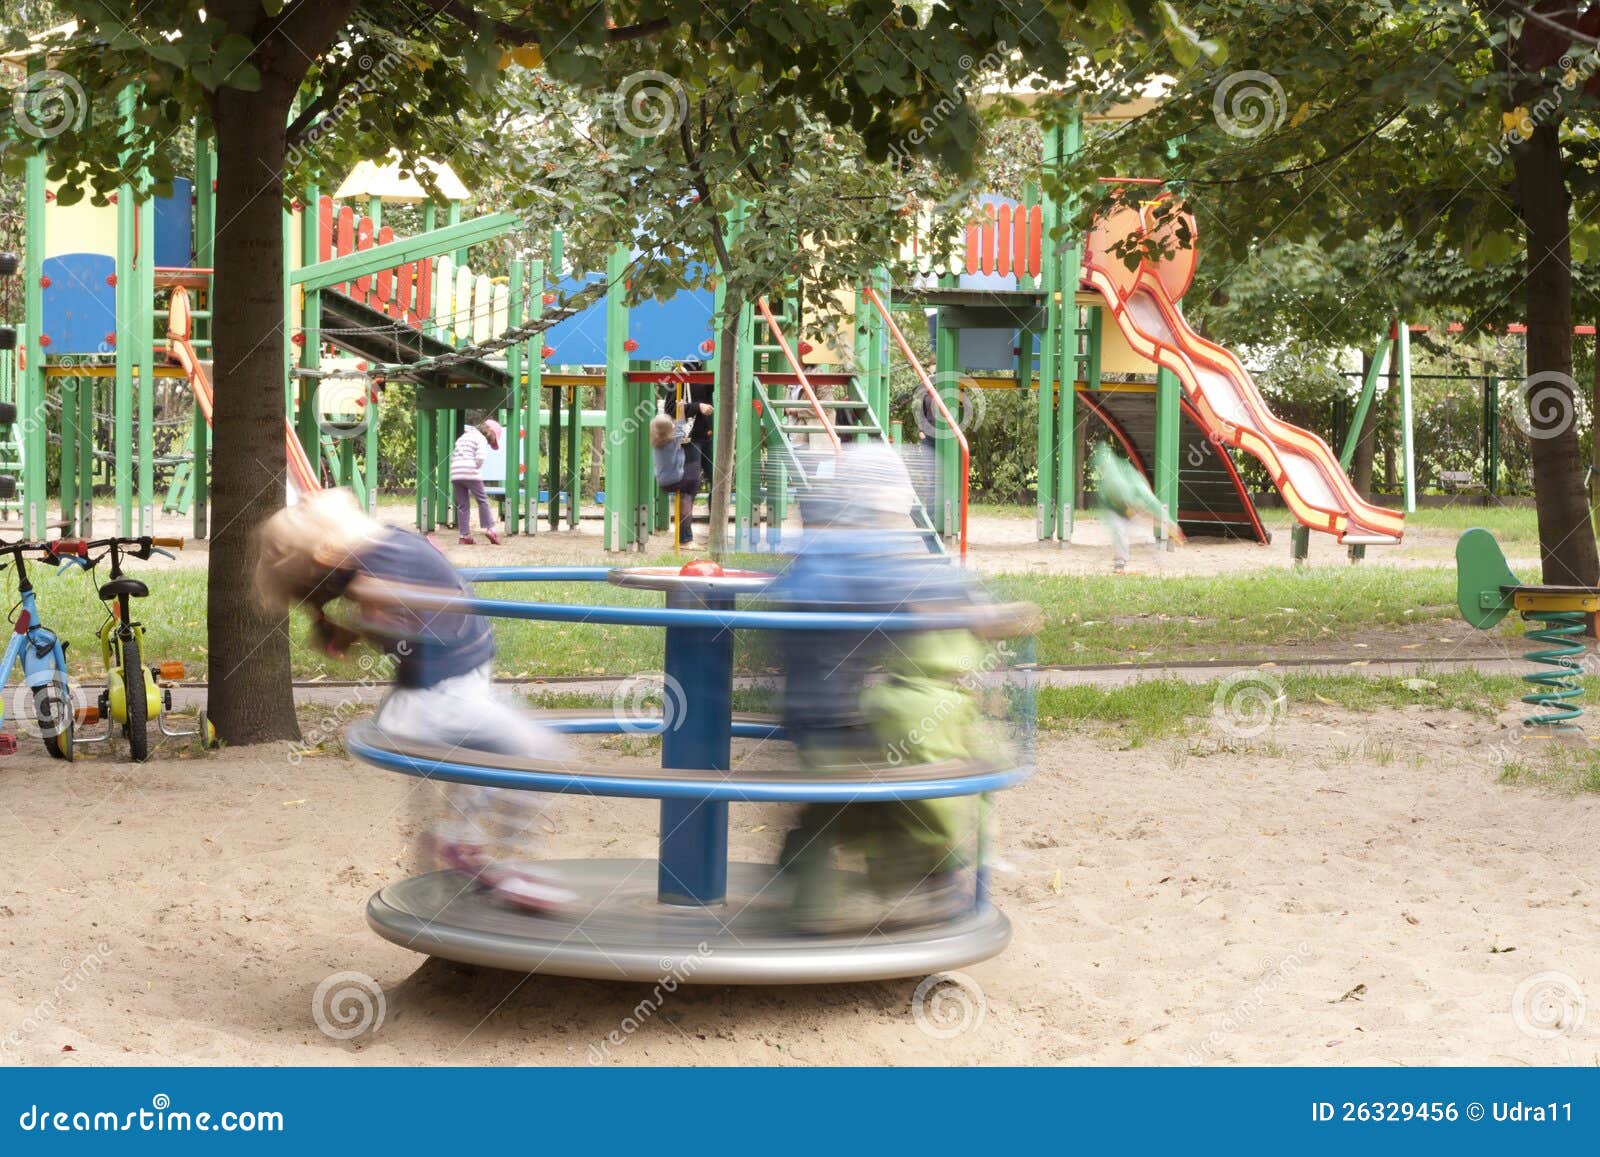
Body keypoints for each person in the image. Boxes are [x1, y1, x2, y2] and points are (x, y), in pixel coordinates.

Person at [253, 488, 576, 913]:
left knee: (483, 762)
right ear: (328, 550)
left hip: (450, 693)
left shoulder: (376, 546)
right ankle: (504, 862)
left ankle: (462, 841)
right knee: (539, 752)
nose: (325, 500)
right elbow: (381, 602)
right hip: (438, 701)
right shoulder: (371, 570)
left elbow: (380, 608)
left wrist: (359, 622)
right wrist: (394, 607)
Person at [1091, 441, 1184, 573]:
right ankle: (1120, 562)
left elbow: (1154, 507)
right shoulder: (1107, 490)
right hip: (1114, 510)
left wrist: (1169, 523)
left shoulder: (1138, 488)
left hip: (1133, 506)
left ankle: (1159, 564)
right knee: (1118, 529)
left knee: (1144, 536)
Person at [650, 410, 700, 547]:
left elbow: (678, 427)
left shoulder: (655, 442)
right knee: (694, 476)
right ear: (668, 430)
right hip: (675, 480)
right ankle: (687, 498)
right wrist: (682, 409)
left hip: (662, 481)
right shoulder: (672, 442)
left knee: (689, 476)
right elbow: (681, 425)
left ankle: (685, 497)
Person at [451, 417, 502, 545]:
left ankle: (464, 536)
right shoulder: (481, 439)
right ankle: (490, 529)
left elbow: (454, 454)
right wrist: (475, 467)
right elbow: (480, 457)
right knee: (482, 500)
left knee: (462, 505)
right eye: (493, 439)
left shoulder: (464, 436)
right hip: (470, 472)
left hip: (455, 473)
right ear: (490, 431)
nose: (491, 442)